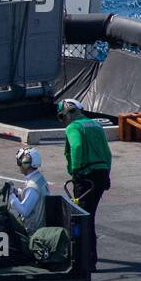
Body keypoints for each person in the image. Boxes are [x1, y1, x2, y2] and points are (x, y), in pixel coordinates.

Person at [57, 98, 111, 267]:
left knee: (82, 218)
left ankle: (87, 260)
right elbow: (107, 153)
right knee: (89, 216)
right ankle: (88, 257)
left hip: (85, 176)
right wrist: (107, 174)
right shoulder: (96, 125)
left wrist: (76, 170)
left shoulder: (73, 127)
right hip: (101, 174)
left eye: (62, 116)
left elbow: (77, 146)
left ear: (67, 113)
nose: (63, 120)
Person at [7, 147, 49, 235]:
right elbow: (30, 198)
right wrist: (16, 192)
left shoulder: (32, 186)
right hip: (39, 226)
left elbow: (24, 211)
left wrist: (11, 195)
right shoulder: (39, 178)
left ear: (26, 164)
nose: (19, 165)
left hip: (31, 231)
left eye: (20, 162)